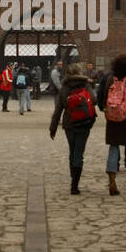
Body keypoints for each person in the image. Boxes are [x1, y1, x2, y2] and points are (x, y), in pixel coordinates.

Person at [97, 54, 126, 195]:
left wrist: (106, 111)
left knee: (113, 148)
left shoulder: (111, 78)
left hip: (113, 118)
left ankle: (112, 181)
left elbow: (105, 96)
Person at [48, 62, 97, 194]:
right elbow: (94, 100)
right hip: (84, 123)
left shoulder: (65, 87)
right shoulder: (85, 84)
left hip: (69, 123)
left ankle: (73, 176)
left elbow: (58, 110)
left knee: (72, 150)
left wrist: (53, 128)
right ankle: (75, 184)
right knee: (79, 153)